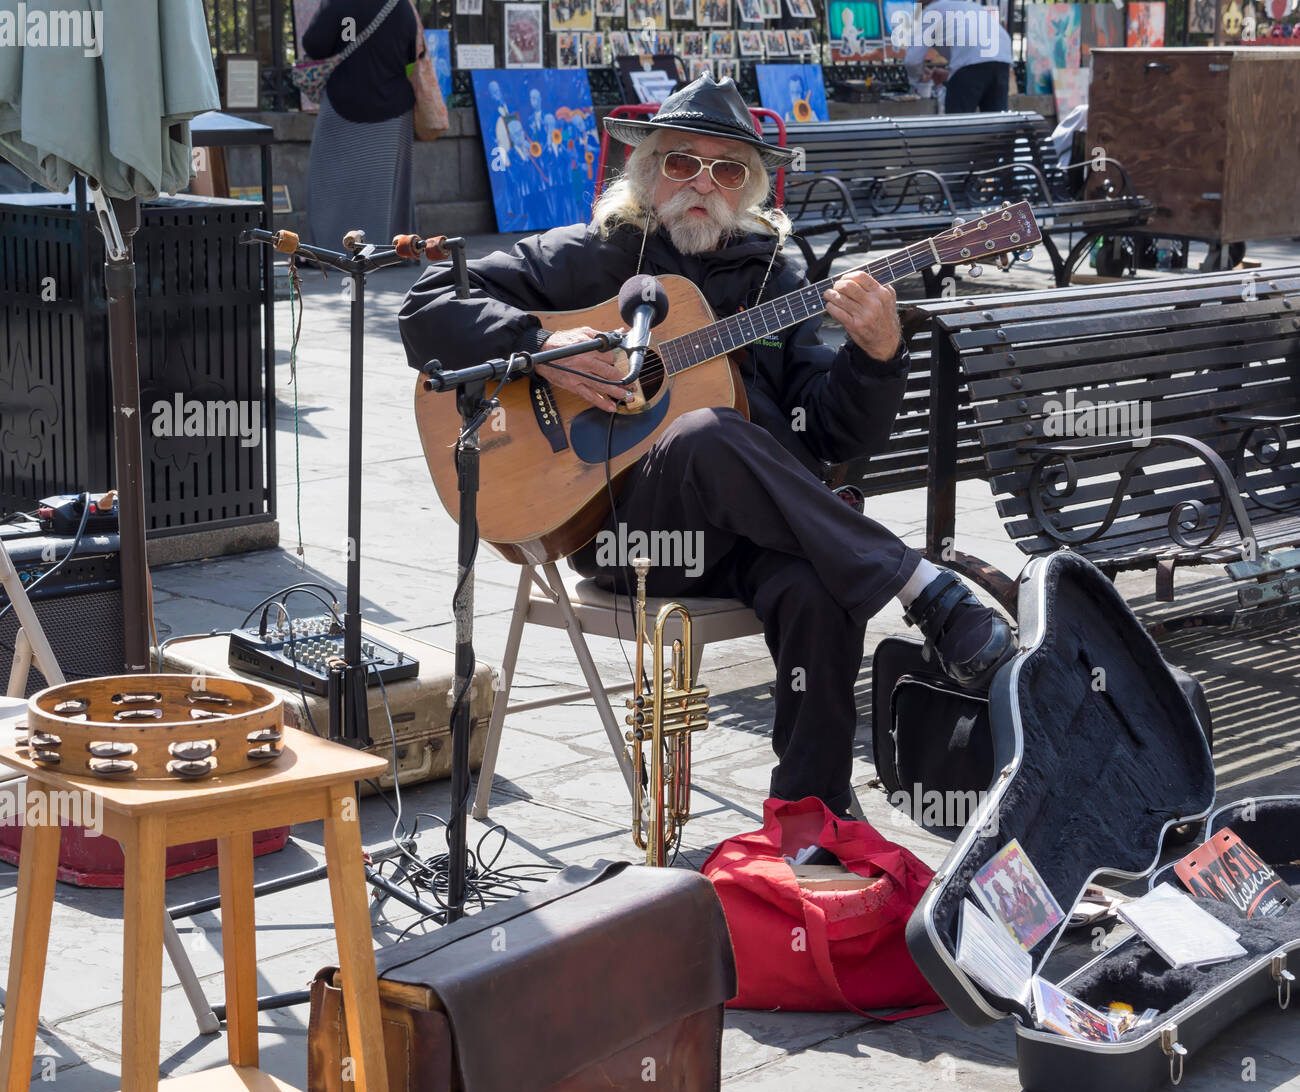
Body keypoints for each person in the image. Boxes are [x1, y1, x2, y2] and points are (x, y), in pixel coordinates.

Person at [398, 76, 1015, 816]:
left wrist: (876, 358)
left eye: (726, 169)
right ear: (647, 169)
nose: (702, 183)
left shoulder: (775, 277)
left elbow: (829, 434)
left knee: (819, 584)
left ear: (749, 187)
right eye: (682, 162)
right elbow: (427, 302)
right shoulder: (594, 255)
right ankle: (920, 584)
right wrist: (539, 344)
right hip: (628, 533)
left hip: (749, 531)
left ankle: (811, 819)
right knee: (704, 431)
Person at [302, 0, 418, 254]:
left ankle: (331, 250)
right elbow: (412, 51)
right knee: (389, 189)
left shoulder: (339, 4)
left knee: (328, 183)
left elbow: (313, 45)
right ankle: (395, 249)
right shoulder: (400, 5)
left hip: (344, 103)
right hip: (393, 109)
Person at [900, 0, 1013, 114]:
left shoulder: (931, 12)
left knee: (957, 122)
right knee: (996, 121)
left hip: (973, 61)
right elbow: (978, 59)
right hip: (1002, 57)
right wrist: (951, 75)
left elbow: (912, 60)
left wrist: (919, 78)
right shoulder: (968, 6)